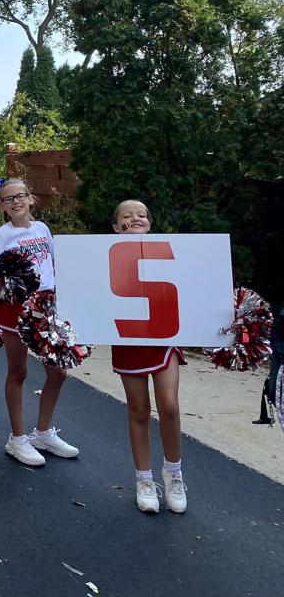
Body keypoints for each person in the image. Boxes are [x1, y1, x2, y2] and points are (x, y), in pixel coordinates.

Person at [0, 178, 78, 467]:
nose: (16, 202)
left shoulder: (42, 229)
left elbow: (51, 264)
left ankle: (42, 432)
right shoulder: (2, 235)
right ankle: (17, 438)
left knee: (58, 372)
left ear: (31, 199)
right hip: (15, 309)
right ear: (0, 204)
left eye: (21, 196)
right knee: (18, 370)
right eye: (9, 198)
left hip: (47, 307)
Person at [110, 199, 187, 514]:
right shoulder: (105, 254)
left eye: (141, 215)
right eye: (127, 216)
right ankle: (144, 479)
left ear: (150, 222)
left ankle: (174, 473)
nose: (135, 218)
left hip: (164, 335)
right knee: (139, 409)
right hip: (129, 338)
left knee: (168, 405)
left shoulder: (169, 249)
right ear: (116, 227)